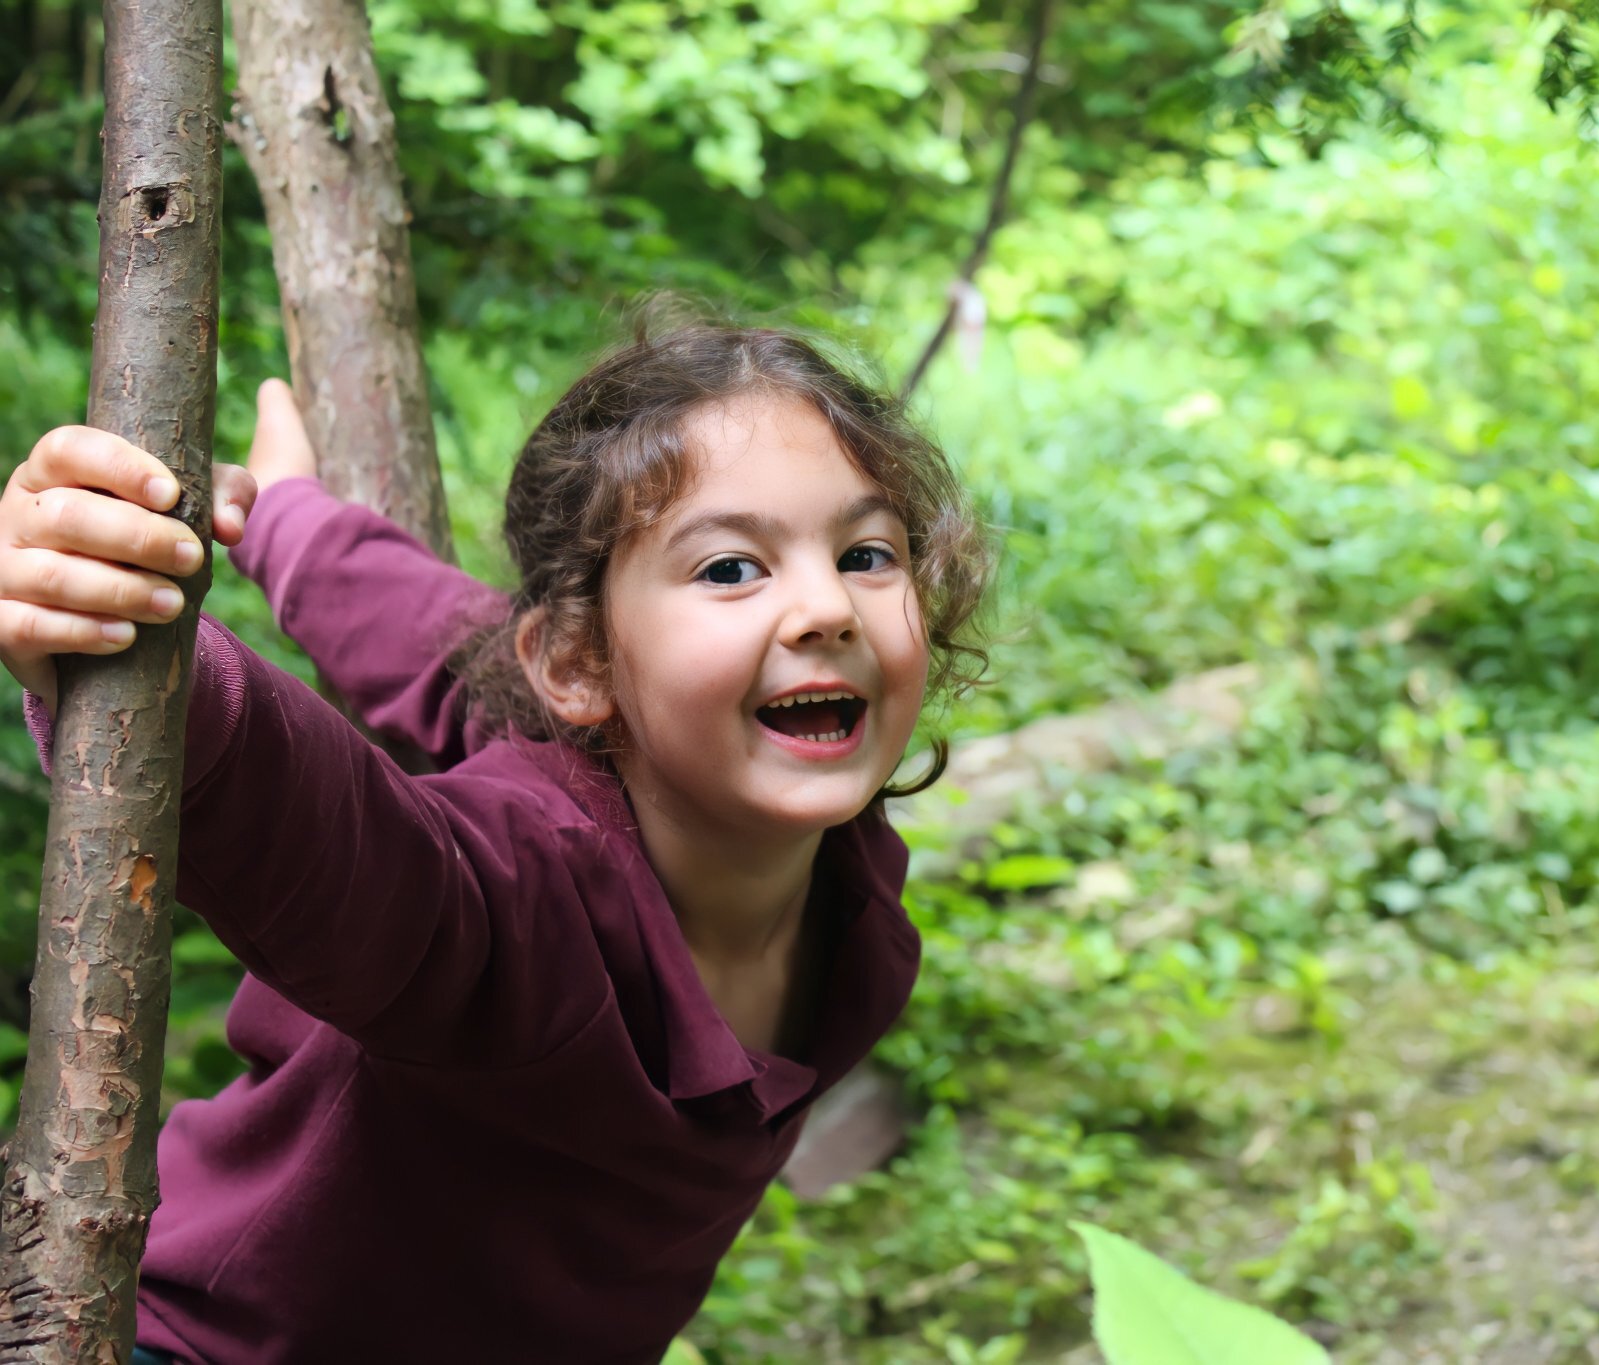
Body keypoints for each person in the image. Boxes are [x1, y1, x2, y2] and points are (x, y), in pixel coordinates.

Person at [0, 320, 992, 1365]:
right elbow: (323, 828)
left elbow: (429, 632)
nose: (826, 606)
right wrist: (112, 626)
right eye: (732, 568)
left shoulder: (852, 894)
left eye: (866, 554)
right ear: (575, 665)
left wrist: (289, 517)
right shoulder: (512, 897)